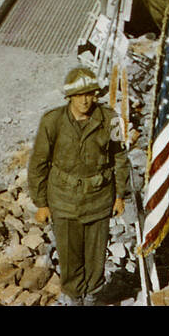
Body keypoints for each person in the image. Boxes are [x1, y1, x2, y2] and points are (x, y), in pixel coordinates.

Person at [29, 66, 130, 305]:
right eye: (79, 95)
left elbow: (120, 158)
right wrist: (41, 203)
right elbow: (38, 163)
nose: (85, 100)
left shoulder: (111, 119)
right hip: (63, 201)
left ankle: (93, 295)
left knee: (96, 255)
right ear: (70, 97)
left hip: (99, 199)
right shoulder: (52, 121)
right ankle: (74, 297)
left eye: (90, 94)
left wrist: (120, 195)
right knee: (69, 254)